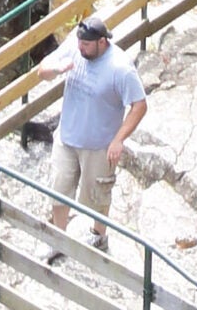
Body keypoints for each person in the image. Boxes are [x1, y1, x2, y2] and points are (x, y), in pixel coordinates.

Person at [43, 14, 146, 252]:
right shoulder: (74, 47)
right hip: (67, 136)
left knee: (98, 195)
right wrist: (56, 70)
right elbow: (42, 71)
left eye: (86, 44)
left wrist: (118, 139)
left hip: (99, 144)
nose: (81, 48)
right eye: (80, 42)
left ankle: (99, 235)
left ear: (102, 42)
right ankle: (59, 239)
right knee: (59, 188)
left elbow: (139, 106)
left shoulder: (121, 68)